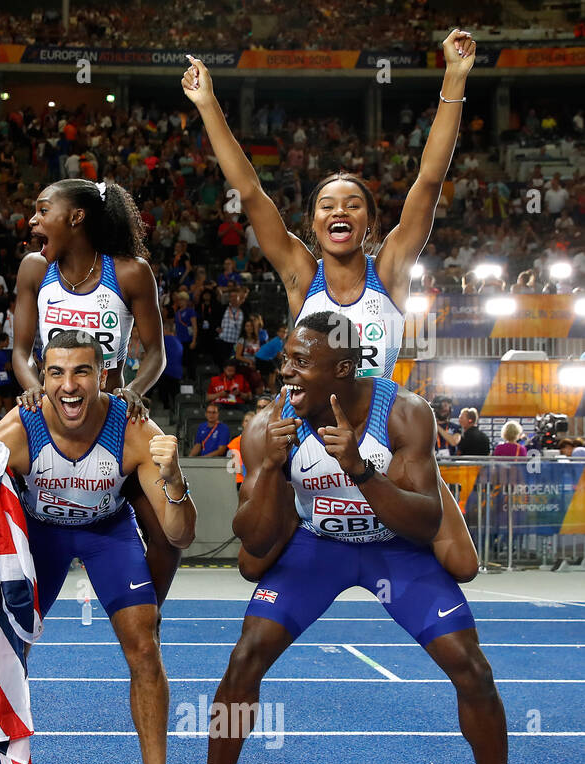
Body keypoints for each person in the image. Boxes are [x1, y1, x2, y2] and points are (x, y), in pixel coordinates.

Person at [166, 312, 553, 764]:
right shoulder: (265, 426)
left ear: (344, 368)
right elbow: (252, 542)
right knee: (244, 658)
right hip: (319, 545)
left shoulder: (403, 413)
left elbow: (423, 522)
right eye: (286, 362)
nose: (288, 374)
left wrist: (359, 468)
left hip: (392, 546)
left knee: (472, 666)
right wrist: (274, 470)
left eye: (302, 362)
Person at [181, 30, 480, 586]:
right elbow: (249, 191)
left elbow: (430, 180)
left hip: (382, 424)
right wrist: (208, 105)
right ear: (314, 222)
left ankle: (389, 514)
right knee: (251, 563)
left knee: (463, 565)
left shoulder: (389, 271)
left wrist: (455, 77)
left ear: (367, 221)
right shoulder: (301, 274)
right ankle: (300, 509)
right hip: (310, 421)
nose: (338, 210)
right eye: (326, 204)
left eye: (352, 204)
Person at [0, 330, 196, 764]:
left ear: (103, 375)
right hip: (43, 534)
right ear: (41, 377)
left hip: (108, 532)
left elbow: (181, 535)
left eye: (81, 371)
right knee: (8, 649)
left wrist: (176, 481)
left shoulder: (136, 431)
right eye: (55, 372)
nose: (69, 386)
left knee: (144, 643)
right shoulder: (19, 428)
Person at [13, 178, 185, 607]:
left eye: (42, 210)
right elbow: (18, 352)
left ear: (75, 217)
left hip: (111, 422)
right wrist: (34, 389)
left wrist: (133, 390)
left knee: (169, 534)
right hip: (51, 420)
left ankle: (150, 615)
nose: (33, 220)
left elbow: (156, 355)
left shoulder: (129, 272)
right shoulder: (35, 268)